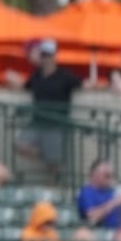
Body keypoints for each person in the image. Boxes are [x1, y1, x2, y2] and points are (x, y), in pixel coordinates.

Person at [23, 39, 83, 171]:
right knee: (21, 145)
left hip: (56, 123)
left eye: (49, 54)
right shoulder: (36, 74)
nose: (46, 58)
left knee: (54, 164)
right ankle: (45, 156)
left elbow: (83, 85)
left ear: (55, 55)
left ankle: (53, 183)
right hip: (38, 122)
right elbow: (25, 87)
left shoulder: (65, 75)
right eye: (44, 54)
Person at [77, 159, 121, 230]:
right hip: (100, 233)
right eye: (106, 175)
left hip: (120, 231)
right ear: (94, 174)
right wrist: (115, 202)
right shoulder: (87, 192)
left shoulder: (111, 192)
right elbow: (92, 216)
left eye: (111, 175)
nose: (110, 178)